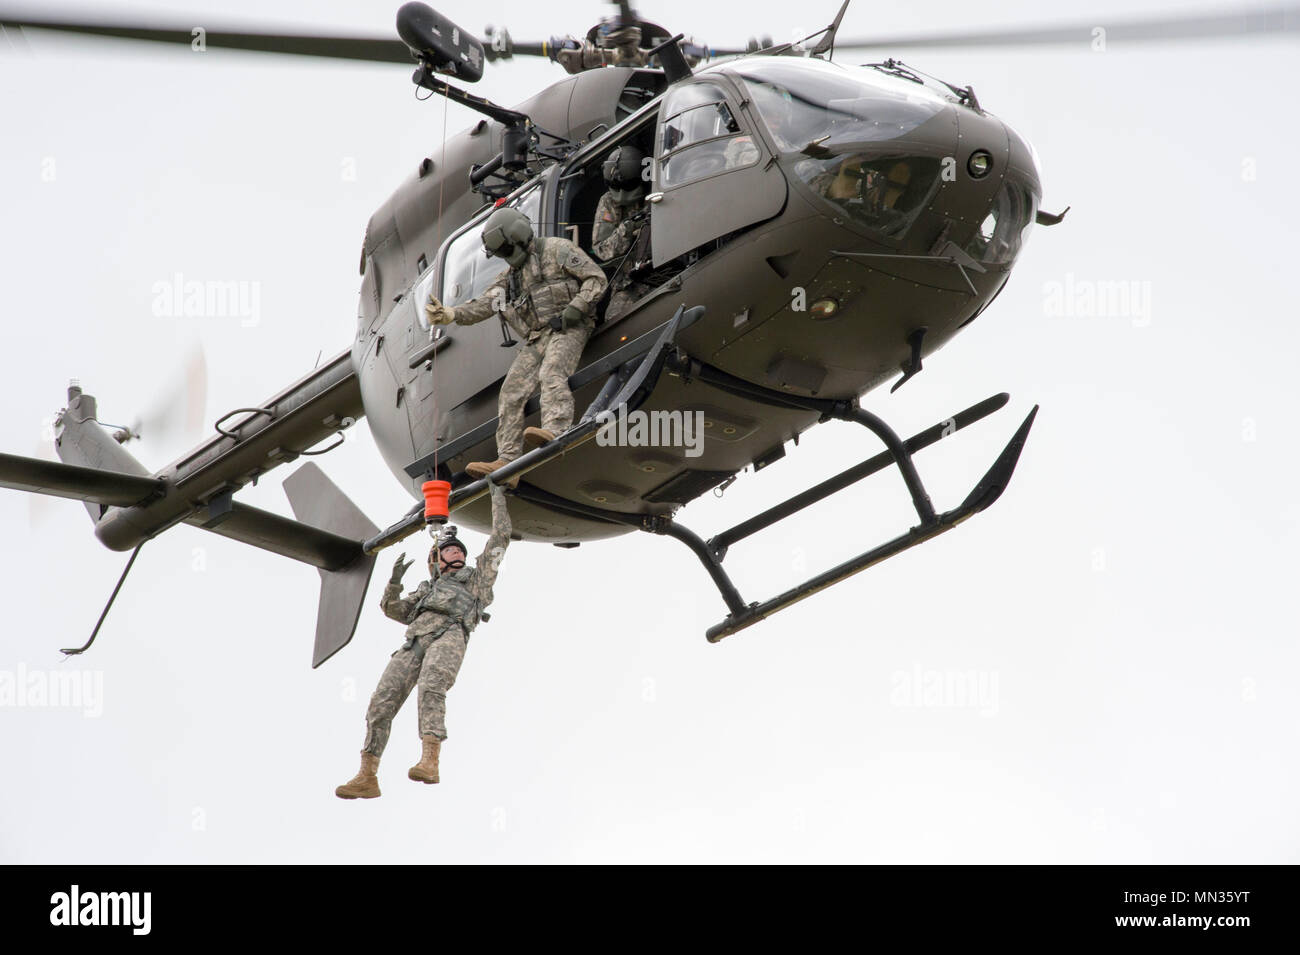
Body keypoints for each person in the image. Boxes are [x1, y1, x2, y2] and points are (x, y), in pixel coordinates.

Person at [334, 484, 512, 798]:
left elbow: (500, 538)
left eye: (460, 550)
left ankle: (430, 760)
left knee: (432, 687)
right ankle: (367, 775)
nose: (458, 552)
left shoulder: (477, 579)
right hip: (414, 641)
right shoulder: (425, 591)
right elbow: (393, 609)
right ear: (436, 559)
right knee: (380, 704)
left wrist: (497, 494)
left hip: (450, 634)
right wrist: (394, 582)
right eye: (450, 550)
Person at [425, 207, 607, 478]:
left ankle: (556, 430)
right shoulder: (510, 278)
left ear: (519, 238)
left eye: (508, 251)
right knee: (510, 393)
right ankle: (507, 463)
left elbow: (596, 279)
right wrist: (450, 314)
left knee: (552, 372)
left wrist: (578, 306)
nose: (508, 259)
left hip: (570, 328)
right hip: (538, 338)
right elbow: (486, 304)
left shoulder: (558, 250)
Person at [591, 145, 654, 323]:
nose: (621, 194)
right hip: (630, 281)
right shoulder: (608, 201)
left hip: (668, 263)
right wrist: (627, 228)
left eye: (627, 186)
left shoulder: (657, 186)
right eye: (616, 187)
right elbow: (602, 249)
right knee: (615, 322)